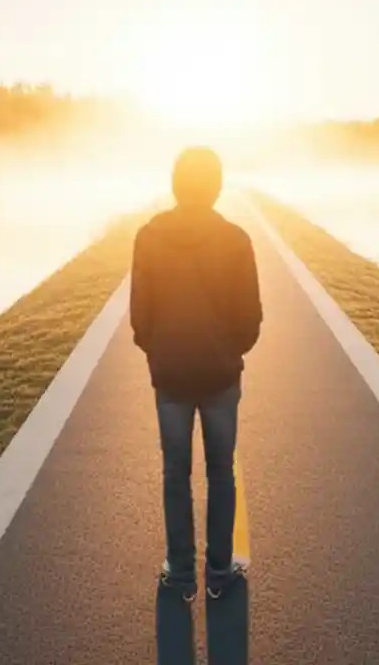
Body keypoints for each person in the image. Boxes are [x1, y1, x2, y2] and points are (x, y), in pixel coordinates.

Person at [131, 147, 263, 602]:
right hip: (220, 375)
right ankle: (221, 573)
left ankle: (182, 574)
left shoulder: (147, 237)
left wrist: (162, 352)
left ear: (174, 183)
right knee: (221, 472)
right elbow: (251, 319)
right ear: (217, 186)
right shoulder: (236, 239)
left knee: (175, 474)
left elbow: (139, 319)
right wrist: (227, 351)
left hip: (170, 376)